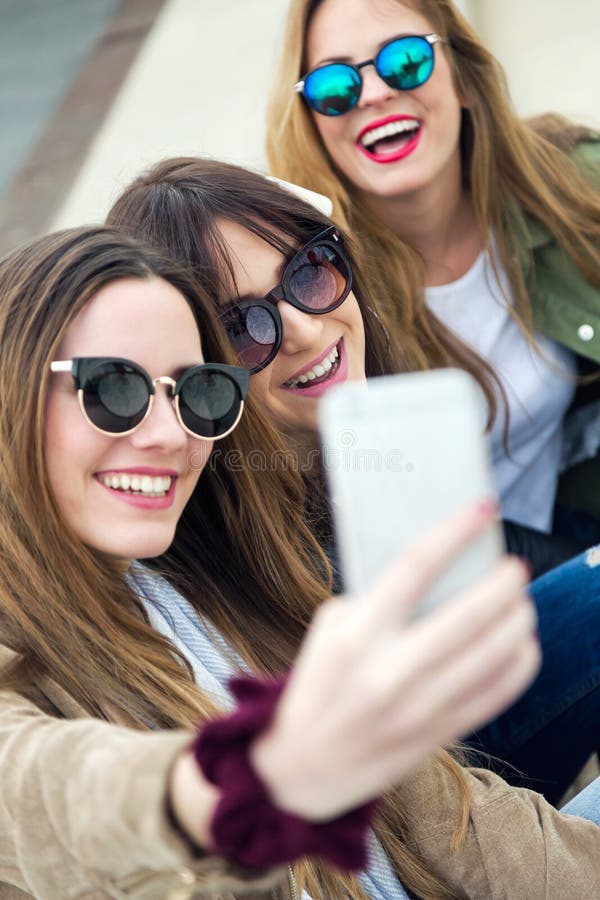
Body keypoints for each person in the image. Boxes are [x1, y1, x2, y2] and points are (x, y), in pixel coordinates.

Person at [2, 224, 588, 899]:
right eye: (114, 388)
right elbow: (46, 793)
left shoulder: (208, 585)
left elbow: (462, 825)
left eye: (197, 393)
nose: (169, 436)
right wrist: (251, 779)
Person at [107, 156, 600, 807]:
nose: (306, 332)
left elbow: (494, 557)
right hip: (427, 803)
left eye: (309, 272)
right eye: (241, 326)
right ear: (196, 373)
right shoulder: (207, 522)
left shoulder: (359, 434)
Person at [265, 0, 600, 548]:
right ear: (311, 124)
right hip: (441, 586)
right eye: (334, 85)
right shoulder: (306, 291)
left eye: (404, 60)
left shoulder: (569, 186)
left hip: (574, 526)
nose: (373, 93)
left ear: (464, 80)